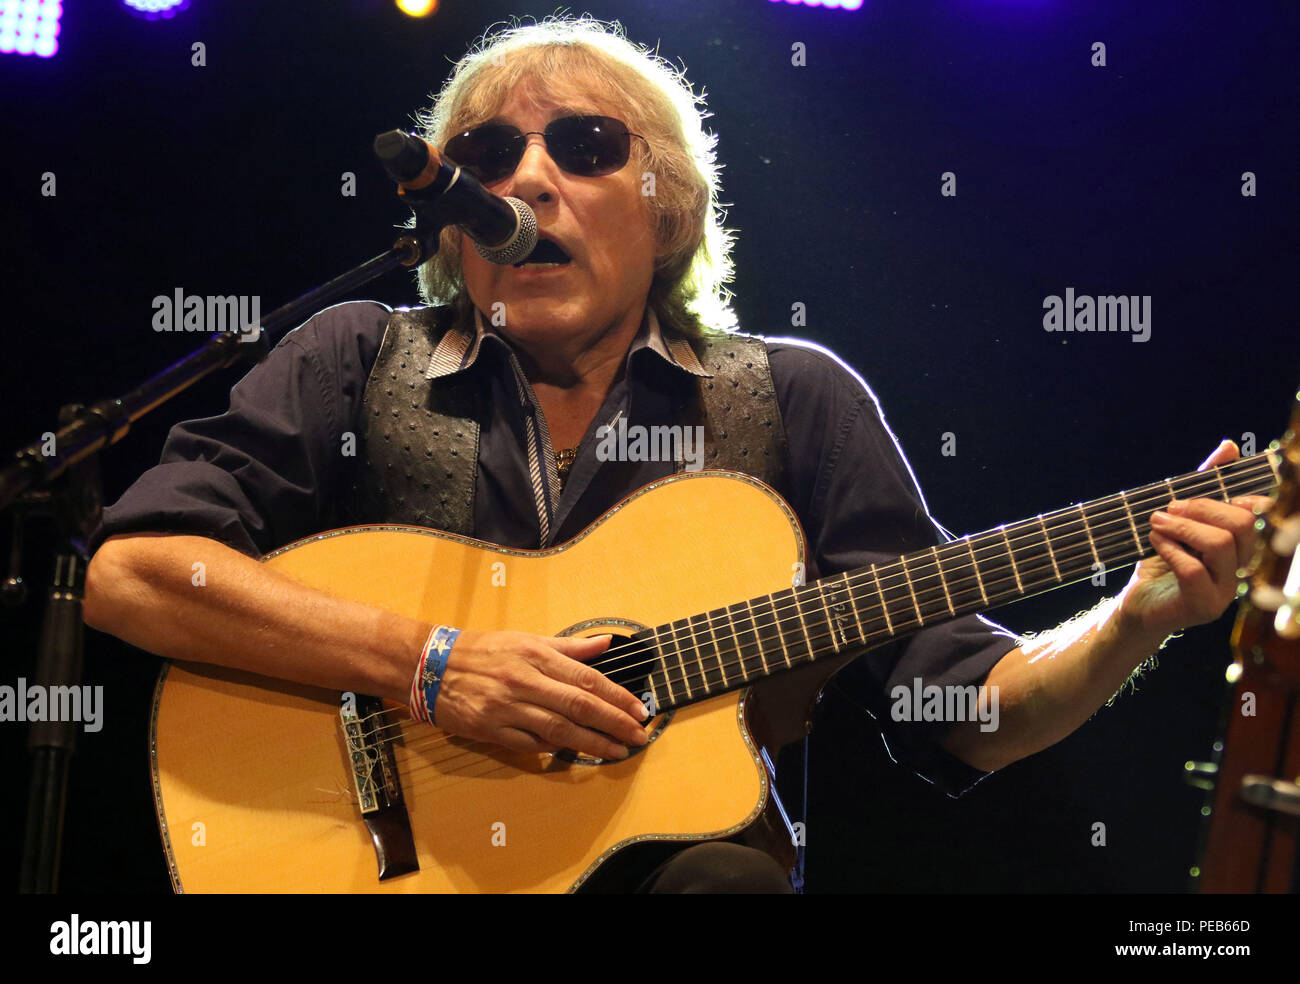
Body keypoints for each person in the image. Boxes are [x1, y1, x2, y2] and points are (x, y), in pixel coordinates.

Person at [83, 16, 1267, 893]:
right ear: (448, 214)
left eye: (586, 146)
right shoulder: (356, 357)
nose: (527, 181)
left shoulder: (789, 400)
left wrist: (1134, 619)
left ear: (670, 210)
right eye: (488, 159)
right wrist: (429, 665)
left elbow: (965, 706)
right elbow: (132, 573)